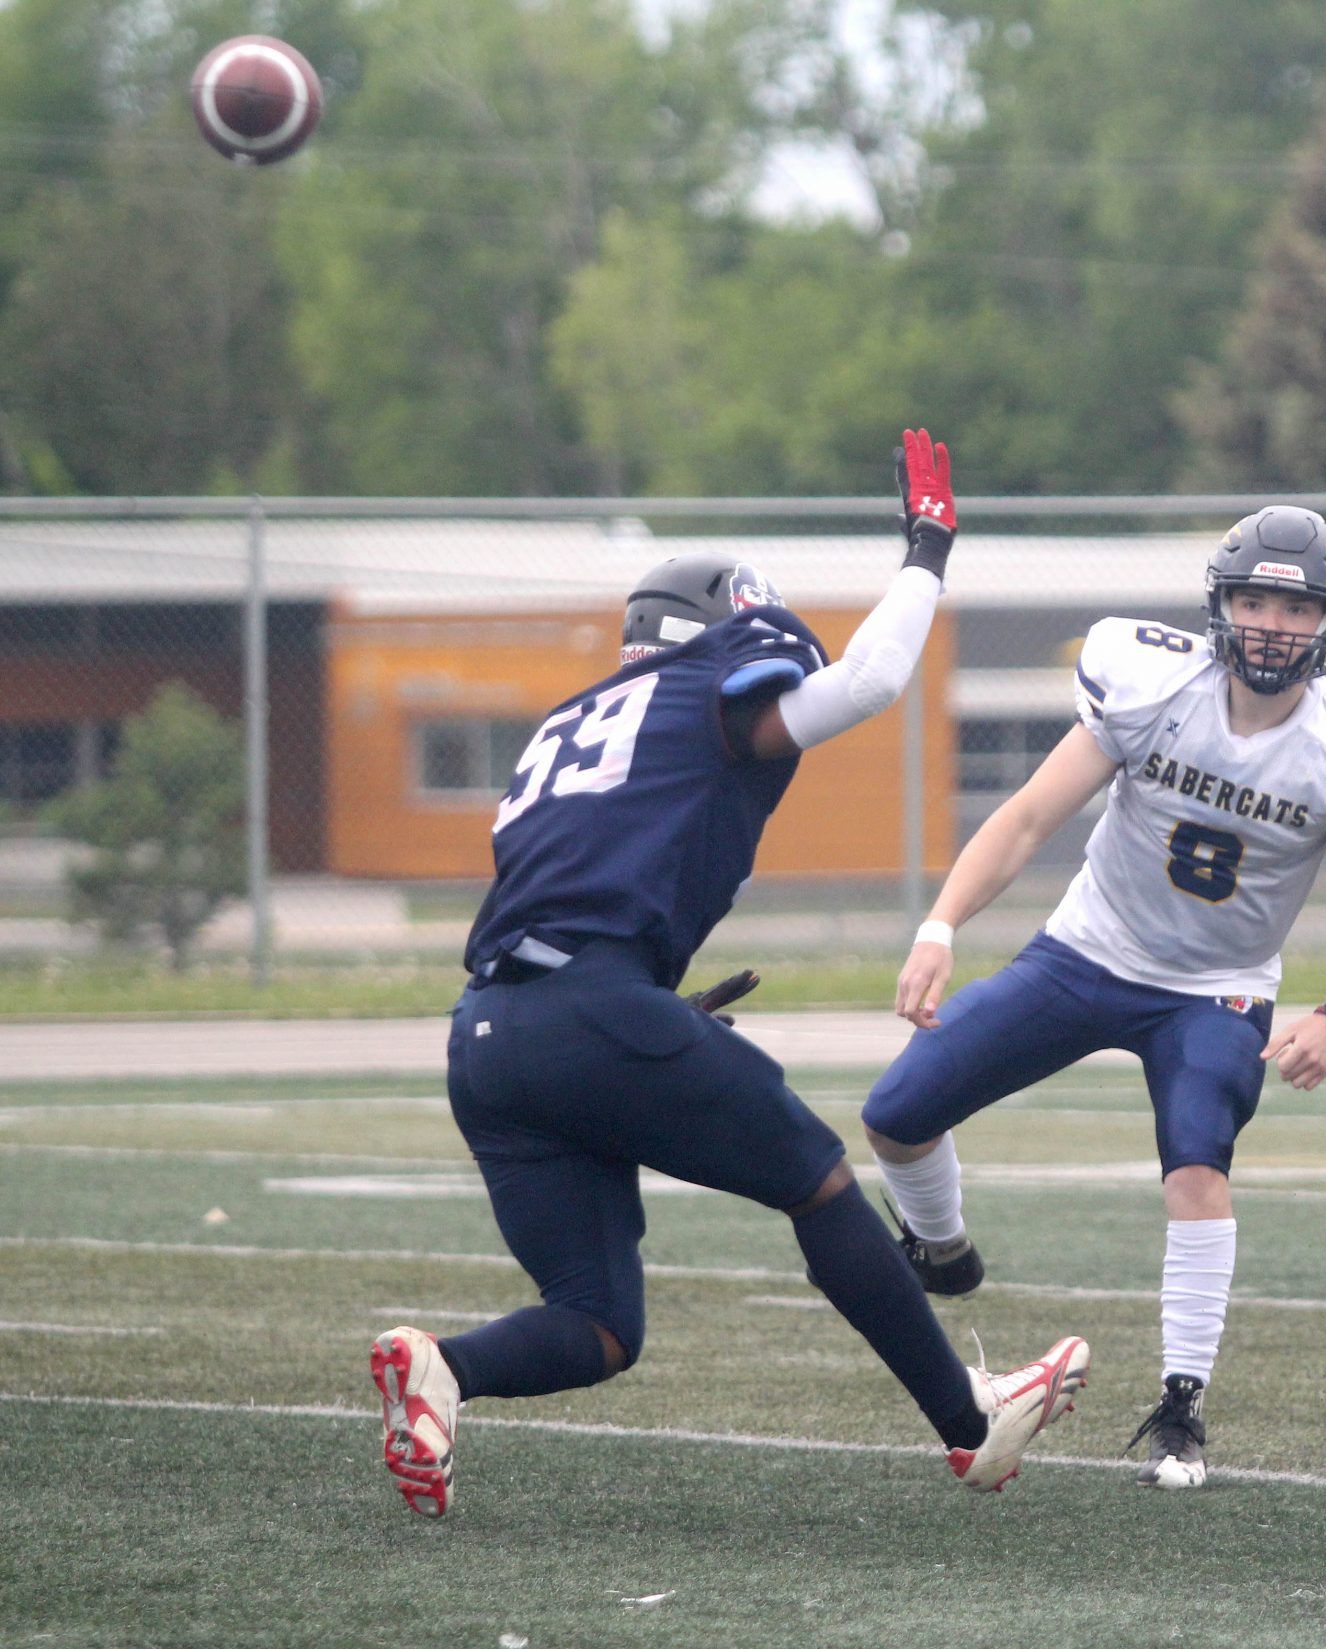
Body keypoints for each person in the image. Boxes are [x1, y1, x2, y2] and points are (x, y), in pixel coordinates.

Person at [368, 432, 1089, 1519]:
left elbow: (574, 877)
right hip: (593, 1009)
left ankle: (443, 1371)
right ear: (726, 631)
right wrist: (928, 550)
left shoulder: (565, 724)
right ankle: (967, 1421)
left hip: (486, 1035)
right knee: (818, 1181)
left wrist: (633, 1007)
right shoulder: (703, 691)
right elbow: (869, 680)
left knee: (599, 1320)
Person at [859, 505, 1326, 1489]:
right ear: (1221, 606)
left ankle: (1180, 1408)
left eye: (1296, 608)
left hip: (1214, 991)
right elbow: (1028, 815)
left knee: (1196, 1162)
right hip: (1084, 953)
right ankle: (942, 1248)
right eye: (1254, 601)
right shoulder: (1153, 683)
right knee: (894, 1113)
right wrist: (939, 927)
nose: (1272, 626)